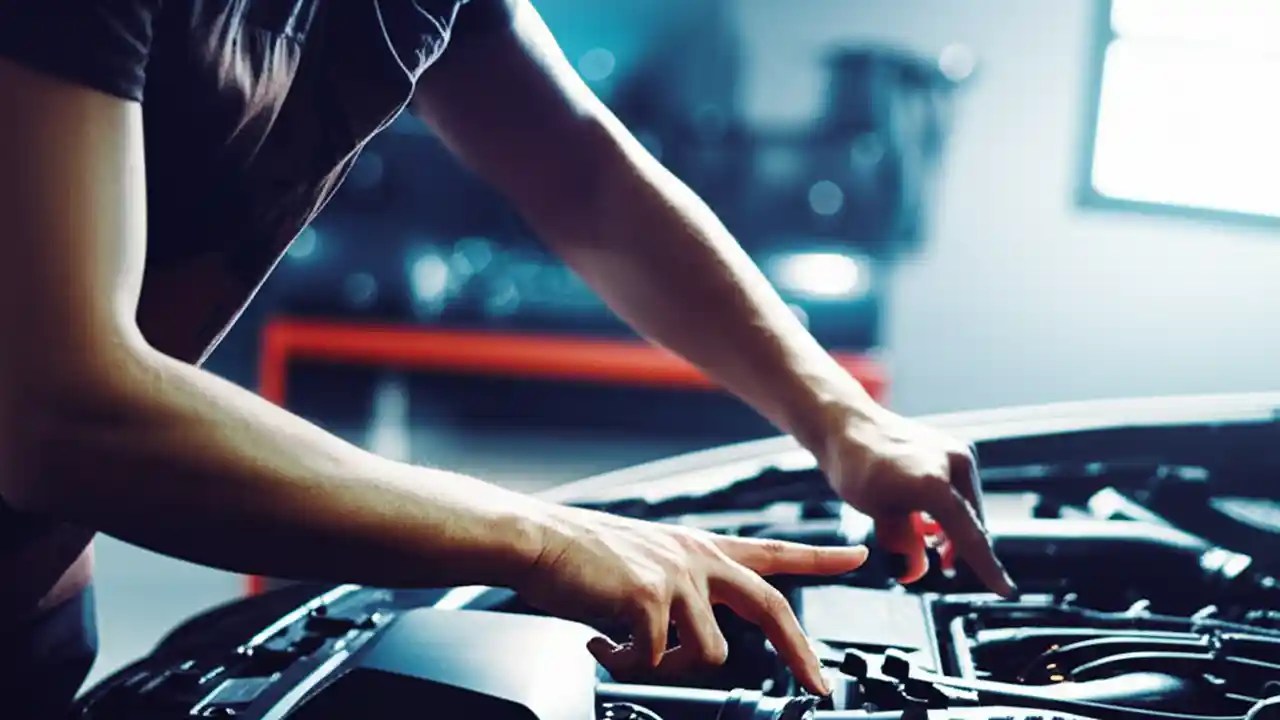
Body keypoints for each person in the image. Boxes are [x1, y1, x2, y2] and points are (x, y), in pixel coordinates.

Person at [0, 0, 1015, 714]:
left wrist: (839, 415)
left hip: (32, 592)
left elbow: (582, 173)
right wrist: (539, 536)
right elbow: (56, 404)